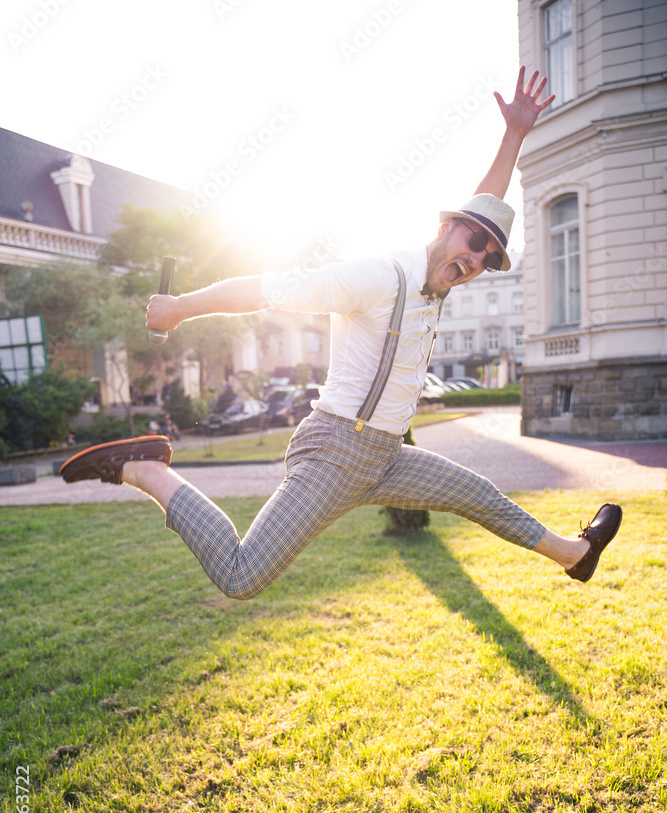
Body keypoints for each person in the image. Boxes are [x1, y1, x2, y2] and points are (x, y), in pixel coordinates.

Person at [60, 67, 622, 597]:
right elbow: (267, 288)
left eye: (489, 256)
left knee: (477, 495)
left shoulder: (439, 281)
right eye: (473, 243)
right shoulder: (378, 276)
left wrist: (514, 135)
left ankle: (575, 554)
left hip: (386, 455)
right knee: (240, 575)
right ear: (444, 227)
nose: (477, 259)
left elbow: (485, 208)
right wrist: (180, 306)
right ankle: (147, 471)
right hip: (336, 450)